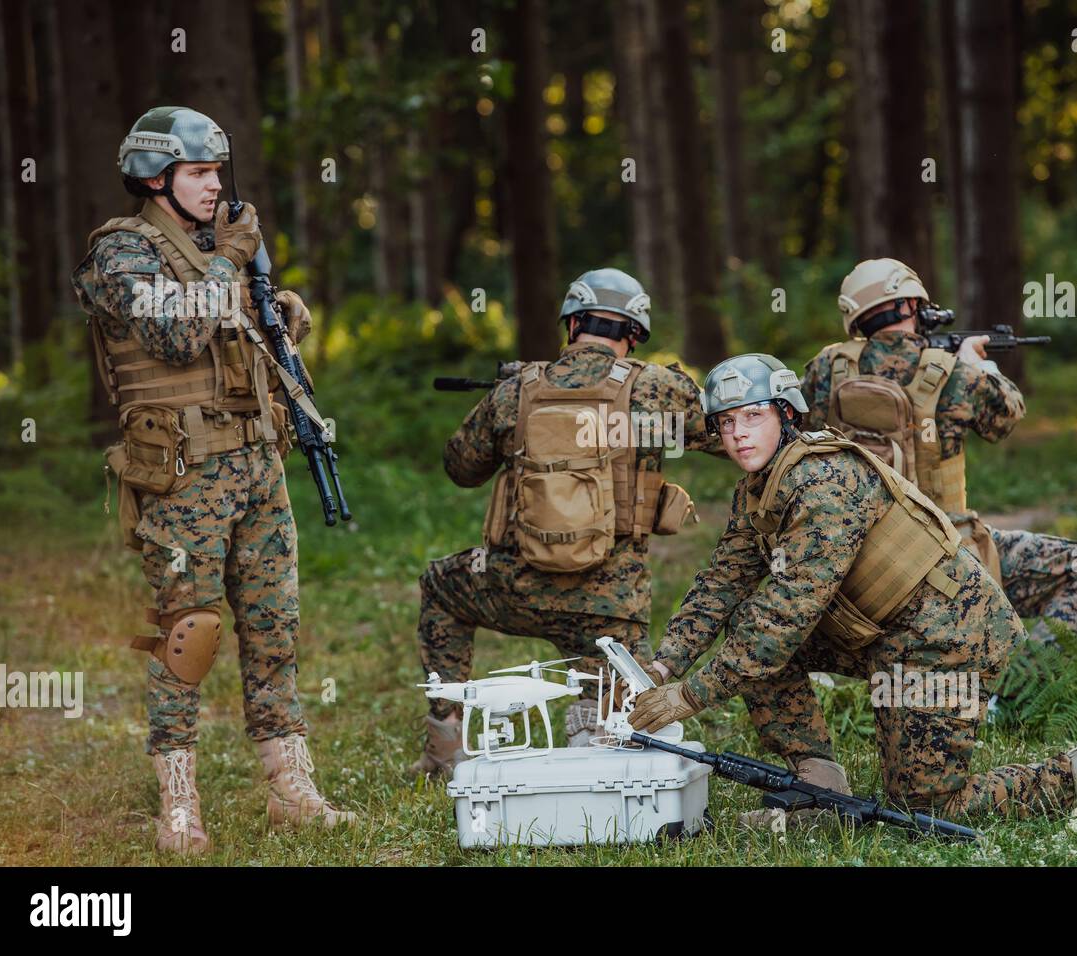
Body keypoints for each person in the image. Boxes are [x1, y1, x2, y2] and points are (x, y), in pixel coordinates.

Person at [630, 353, 1077, 824]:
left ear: (787, 415)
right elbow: (723, 580)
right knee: (749, 628)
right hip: (882, 633)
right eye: (726, 422)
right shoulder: (761, 488)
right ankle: (819, 791)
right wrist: (664, 665)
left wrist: (690, 696)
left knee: (922, 808)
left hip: (945, 641)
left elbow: (784, 617)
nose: (738, 433)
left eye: (754, 415)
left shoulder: (823, 483)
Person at [71, 106, 352, 855]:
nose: (214, 185)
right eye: (199, 173)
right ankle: (179, 805)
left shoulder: (212, 249)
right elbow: (173, 333)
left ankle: (292, 788)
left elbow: (227, 339)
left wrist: (275, 316)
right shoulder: (120, 251)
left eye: (217, 172)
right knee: (187, 638)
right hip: (184, 476)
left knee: (274, 633)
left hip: (259, 465)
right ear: (155, 178)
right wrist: (230, 261)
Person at [414, 268, 722, 775]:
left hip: (515, 588)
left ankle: (446, 743)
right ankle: (598, 721)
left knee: (440, 585)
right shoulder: (658, 390)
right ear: (633, 333)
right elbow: (728, 436)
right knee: (630, 732)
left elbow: (460, 468)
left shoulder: (516, 392)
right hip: (612, 612)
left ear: (573, 323)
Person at [801, 258, 1077, 647]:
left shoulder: (826, 369)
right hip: (949, 564)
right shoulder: (954, 372)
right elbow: (1007, 416)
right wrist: (981, 366)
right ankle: (1022, 693)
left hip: (855, 573)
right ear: (913, 306)